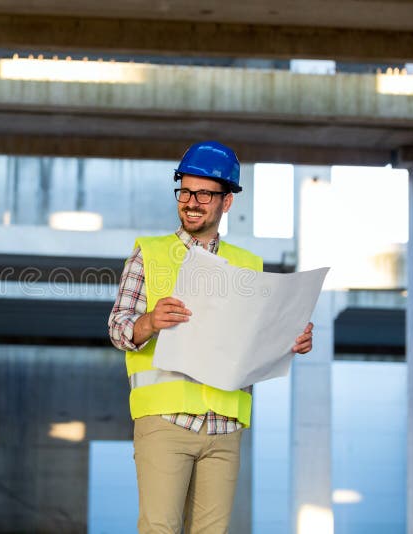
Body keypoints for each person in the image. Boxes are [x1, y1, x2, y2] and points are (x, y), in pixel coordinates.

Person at [108, 141, 314, 533]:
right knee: (159, 529)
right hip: (165, 422)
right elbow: (118, 328)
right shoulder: (148, 254)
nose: (191, 202)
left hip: (224, 426)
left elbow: (256, 341)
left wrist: (292, 339)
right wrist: (149, 321)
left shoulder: (247, 265)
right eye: (185, 191)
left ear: (226, 202)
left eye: (204, 193)